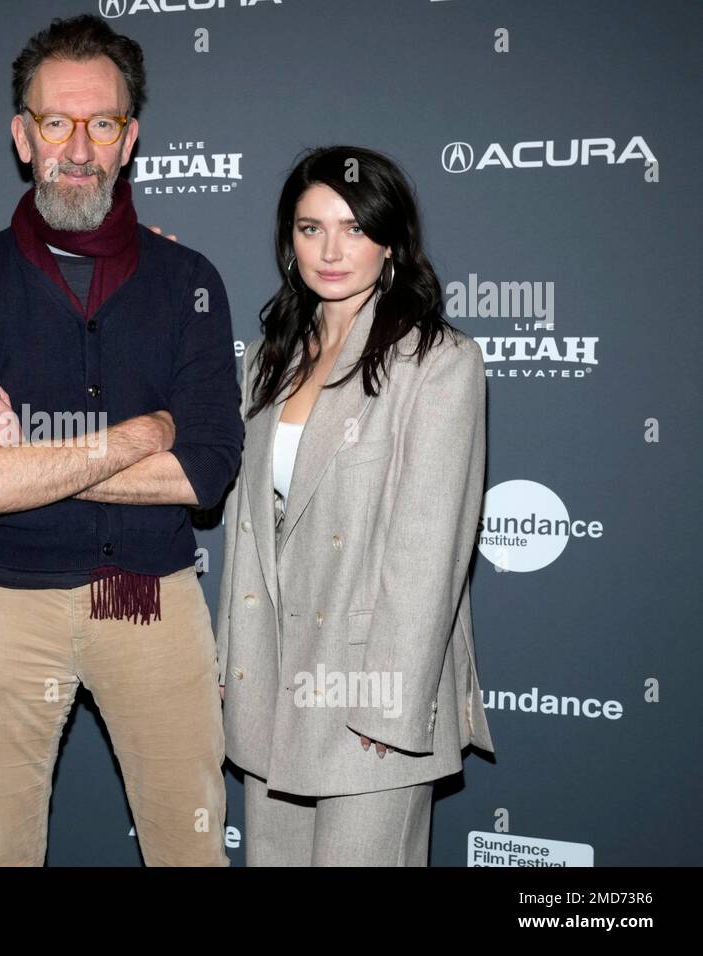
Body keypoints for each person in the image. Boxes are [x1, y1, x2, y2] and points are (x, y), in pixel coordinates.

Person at [0, 14, 243, 867]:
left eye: (100, 123)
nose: (78, 146)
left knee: (191, 848)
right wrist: (141, 435)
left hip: (149, 599)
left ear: (129, 138)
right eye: (56, 122)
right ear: (22, 137)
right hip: (5, 607)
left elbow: (207, 471)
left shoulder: (191, 284)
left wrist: (36, 455)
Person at [216, 145, 495, 866]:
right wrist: (232, 663)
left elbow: (430, 549)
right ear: (289, 242)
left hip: (367, 688)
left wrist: (390, 703)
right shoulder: (268, 360)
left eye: (354, 228)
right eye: (311, 229)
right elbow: (249, 533)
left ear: (392, 240)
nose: (331, 250)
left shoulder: (438, 361)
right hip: (275, 680)